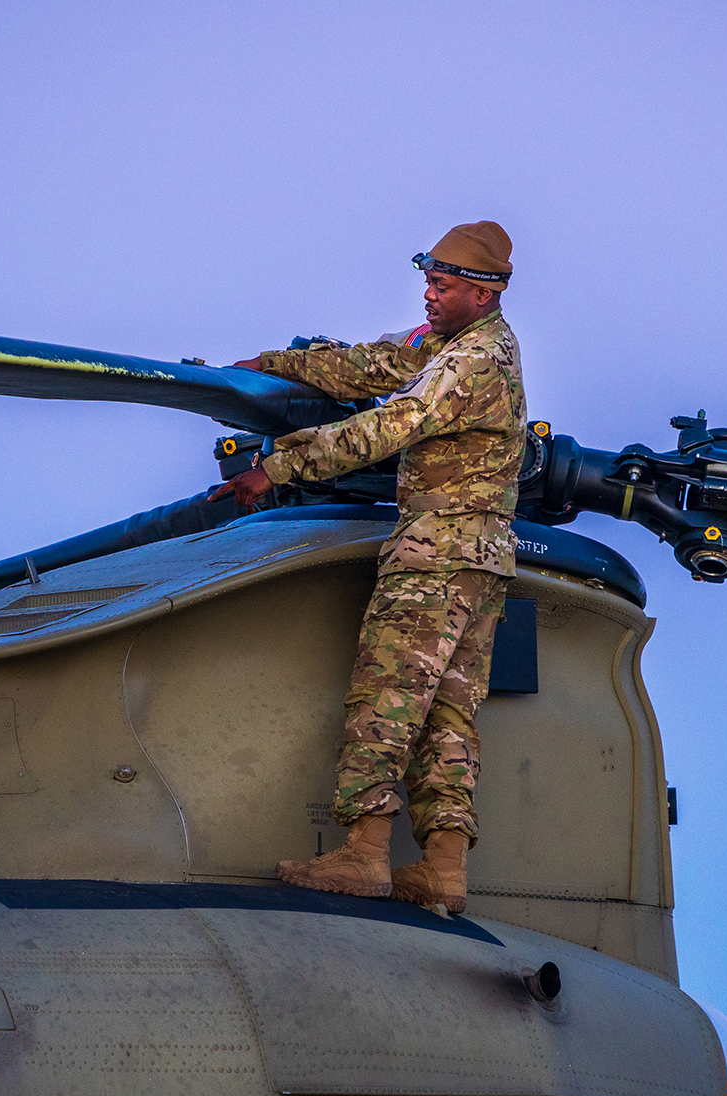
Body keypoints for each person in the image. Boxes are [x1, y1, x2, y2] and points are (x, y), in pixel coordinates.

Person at [213, 221, 525, 913]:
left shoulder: (471, 363)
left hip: (435, 554)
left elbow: (388, 425)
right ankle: (443, 871)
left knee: (385, 700)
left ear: (481, 293)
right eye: (428, 281)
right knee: (447, 718)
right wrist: (271, 365)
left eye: (442, 286)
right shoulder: (460, 347)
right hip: (483, 560)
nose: (428, 295)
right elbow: (371, 367)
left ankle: (364, 854)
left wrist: (277, 467)